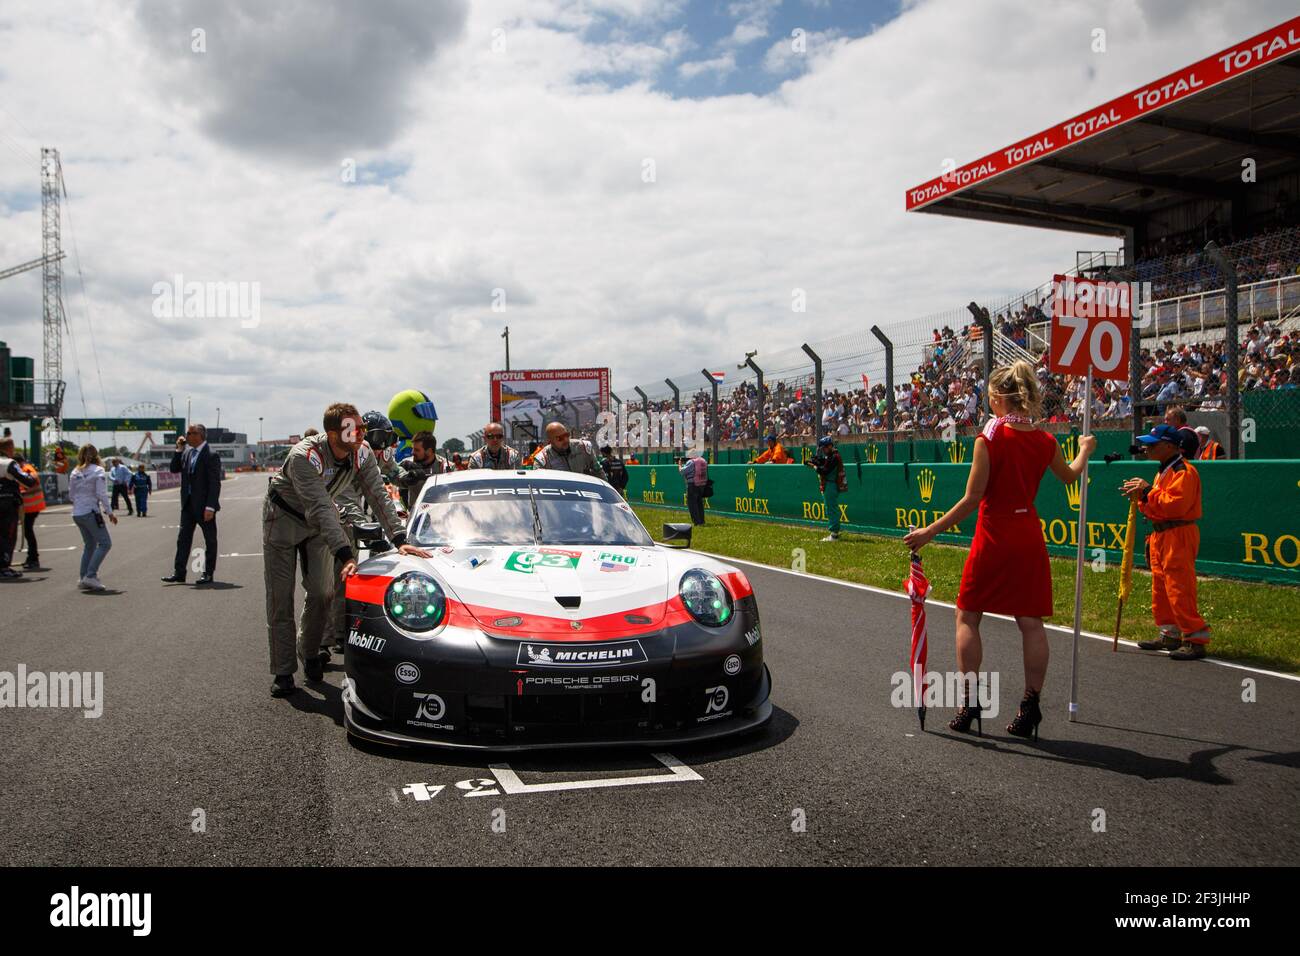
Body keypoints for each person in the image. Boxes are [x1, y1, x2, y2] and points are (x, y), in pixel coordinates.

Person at [904, 360, 1095, 741]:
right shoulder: (1045, 440)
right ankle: (1030, 704)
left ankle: (971, 702)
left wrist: (930, 531)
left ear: (996, 398)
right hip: (1028, 536)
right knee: (1031, 622)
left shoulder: (989, 439)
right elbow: (1070, 475)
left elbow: (972, 498)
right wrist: (1085, 449)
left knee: (968, 615)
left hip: (994, 535)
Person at [263, 403, 428, 698]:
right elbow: (320, 507)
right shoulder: (306, 456)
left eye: (362, 429)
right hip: (284, 519)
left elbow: (377, 494)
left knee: (322, 593)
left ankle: (311, 651)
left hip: (318, 525)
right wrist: (344, 553)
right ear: (331, 433)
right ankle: (283, 669)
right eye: (353, 430)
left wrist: (399, 536)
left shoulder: (361, 452)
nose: (360, 435)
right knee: (280, 597)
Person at [1122, 424, 1210, 660]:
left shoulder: (1184, 471)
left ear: (1170, 446)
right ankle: (1170, 633)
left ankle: (1195, 638)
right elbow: (1153, 506)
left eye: (1153, 444)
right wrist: (1141, 496)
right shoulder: (1163, 470)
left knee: (1179, 586)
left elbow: (1175, 505)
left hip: (1178, 534)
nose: (1147, 448)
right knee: (1160, 587)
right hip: (1160, 535)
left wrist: (1148, 491)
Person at [162, 424, 222, 585]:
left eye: (190, 433)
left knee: (210, 540)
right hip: (188, 504)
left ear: (200, 435)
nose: (186, 436)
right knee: (183, 539)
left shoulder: (211, 455)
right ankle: (179, 572)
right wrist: (178, 450)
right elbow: (174, 468)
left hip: (204, 506)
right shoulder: (187, 452)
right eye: (187, 433)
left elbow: (214, 483)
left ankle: (208, 573)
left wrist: (210, 506)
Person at [68, 444, 117, 590]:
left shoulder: (75, 471)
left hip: (77, 513)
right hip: (90, 512)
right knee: (105, 543)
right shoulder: (98, 471)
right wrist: (110, 512)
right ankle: (90, 575)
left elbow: (71, 495)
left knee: (89, 545)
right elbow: (101, 494)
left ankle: (84, 577)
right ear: (97, 455)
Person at [0, 438, 40, 579]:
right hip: (7, 503)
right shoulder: (9, 463)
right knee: (8, 535)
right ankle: (4, 567)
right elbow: (28, 481)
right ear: (9, 448)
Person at [394, 430, 450, 512]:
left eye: (417, 450)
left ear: (429, 451)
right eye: (412, 449)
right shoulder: (406, 464)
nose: (412, 452)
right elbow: (390, 476)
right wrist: (403, 478)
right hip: (415, 513)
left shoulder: (445, 466)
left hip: (440, 513)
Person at [804, 435, 847, 541]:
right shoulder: (832, 455)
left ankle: (834, 534)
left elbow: (825, 470)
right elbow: (824, 462)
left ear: (828, 446)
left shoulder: (834, 457)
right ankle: (834, 532)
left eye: (824, 448)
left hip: (831, 485)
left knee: (831, 509)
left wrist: (814, 466)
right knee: (831, 509)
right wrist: (815, 461)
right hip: (830, 485)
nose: (823, 450)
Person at [533, 422, 602, 476]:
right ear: (550, 441)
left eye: (566, 435)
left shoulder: (584, 448)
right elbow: (538, 484)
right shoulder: (543, 460)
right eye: (560, 438)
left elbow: (599, 472)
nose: (565, 440)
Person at [16, 451, 45, 570]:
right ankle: (32, 557)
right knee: (28, 532)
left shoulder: (26, 469)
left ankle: (33, 558)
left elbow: (32, 480)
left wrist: (20, 492)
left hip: (31, 506)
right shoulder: (25, 468)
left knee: (28, 531)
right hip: (30, 506)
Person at [680, 448, 708, 526]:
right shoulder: (703, 460)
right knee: (699, 503)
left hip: (692, 484)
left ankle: (697, 522)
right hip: (701, 484)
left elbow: (682, 472)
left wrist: (679, 465)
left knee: (692, 504)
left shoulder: (691, 462)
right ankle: (701, 521)